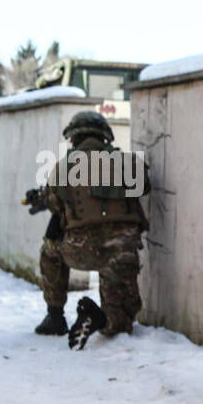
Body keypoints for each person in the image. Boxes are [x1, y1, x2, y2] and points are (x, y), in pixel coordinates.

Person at [33, 110, 149, 349]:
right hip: (121, 252)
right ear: (105, 137)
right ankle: (102, 318)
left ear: (74, 139)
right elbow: (145, 187)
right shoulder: (127, 163)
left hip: (82, 251)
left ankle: (55, 316)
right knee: (122, 319)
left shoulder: (63, 167)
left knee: (49, 251)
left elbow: (55, 204)